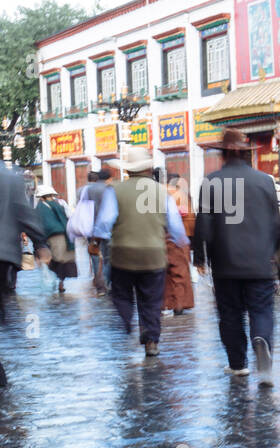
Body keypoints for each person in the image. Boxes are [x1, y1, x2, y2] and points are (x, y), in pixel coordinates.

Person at [193, 129, 280, 384]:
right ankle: (262, 343)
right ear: (247, 154)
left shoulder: (212, 181)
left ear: (222, 154)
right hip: (260, 262)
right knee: (262, 310)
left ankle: (238, 364)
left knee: (230, 314)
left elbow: (204, 224)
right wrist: (271, 252)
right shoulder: (265, 181)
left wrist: (200, 257)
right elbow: (275, 224)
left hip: (226, 263)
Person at [92, 146, 189, 358]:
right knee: (152, 300)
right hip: (154, 255)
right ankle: (151, 340)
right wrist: (181, 241)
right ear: (147, 169)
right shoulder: (161, 192)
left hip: (123, 255)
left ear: (128, 170)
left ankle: (127, 321)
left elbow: (104, 223)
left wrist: (101, 237)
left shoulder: (116, 190)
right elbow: (175, 226)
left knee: (122, 294)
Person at [0, 152, 51, 387]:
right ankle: (2, 309)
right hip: (3, 256)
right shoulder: (8, 176)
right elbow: (24, 212)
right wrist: (40, 243)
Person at [34, 185, 77, 293]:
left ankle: (57, 282)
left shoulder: (40, 207)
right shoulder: (59, 204)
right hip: (65, 236)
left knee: (56, 260)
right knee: (63, 260)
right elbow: (69, 216)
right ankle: (60, 283)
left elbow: (41, 224)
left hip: (52, 237)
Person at [163, 174, 195, 315]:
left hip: (158, 238)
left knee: (165, 274)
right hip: (176, 237)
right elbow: (177, 219)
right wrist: (183, 241)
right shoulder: (177, 193)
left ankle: (167, 303)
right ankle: (180, 303)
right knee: (179, 272)